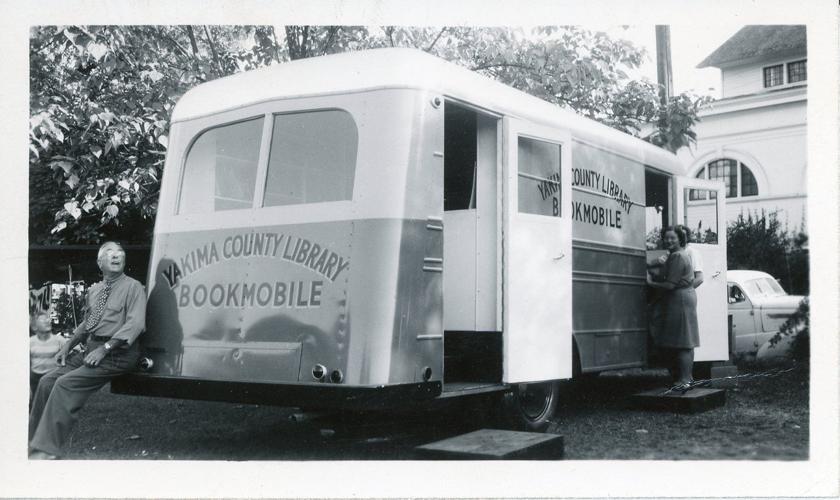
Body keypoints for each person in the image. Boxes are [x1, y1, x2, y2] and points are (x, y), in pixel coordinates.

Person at [29, 241, 146, 459]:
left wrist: (104, 349)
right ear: (99, 262)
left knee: (65, 384)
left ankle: (46, 451)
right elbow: (88, 324)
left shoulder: (133, 287)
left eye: (120, 252)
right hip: (91, 349)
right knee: (46, 382)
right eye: (110, 253)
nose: (116, 256)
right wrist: (67, 345)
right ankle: (32, 443)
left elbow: (135, 325)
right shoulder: (95, 290)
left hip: (117, 354)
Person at [646, 226, 700, 392]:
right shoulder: (676, 255)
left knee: (683, 342)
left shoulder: (677, 256)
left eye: (673, 238)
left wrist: (650, 283)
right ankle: (687, 378)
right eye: (666, 238)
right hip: (683, 298)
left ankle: (684, 379)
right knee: (684, 340)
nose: (669, 241)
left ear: (680, 239)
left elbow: (669, 284)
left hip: (680, 299)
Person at [29, 313, 66, 405]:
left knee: (53, 404)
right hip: (35, 378)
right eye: (42, 320)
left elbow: (69, 359)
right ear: (34, 327)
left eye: (47, 320)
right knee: (36, 404)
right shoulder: (30, 342)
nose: (47, 322)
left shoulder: (60, 340)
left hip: (53, 377)